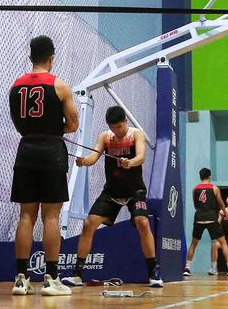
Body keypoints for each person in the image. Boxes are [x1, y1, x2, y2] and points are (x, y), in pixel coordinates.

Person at [62, 107, 163, 287]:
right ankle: (77, 273)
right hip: (112, 192)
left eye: (119, 126)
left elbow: (141, 157)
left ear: (125, 121)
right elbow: (94, 156)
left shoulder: (135, 134)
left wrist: (129, 162)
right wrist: (84, 161)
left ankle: (153, 272)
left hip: (135, 192)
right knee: (89, 224)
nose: (117, 131)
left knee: (143, 222)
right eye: (113, 127)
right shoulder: (105, 137)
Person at [10, 35, 79, 297]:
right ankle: (51, 279)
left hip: (26, 150)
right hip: (51, 151)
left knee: (26, 215)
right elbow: (72, 124)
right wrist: (53, 129)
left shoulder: (15, 86)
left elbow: (19, 124)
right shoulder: (60, 86)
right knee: (51, 216)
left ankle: (20, 279)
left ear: (30, 58)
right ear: (52, 58)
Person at [184, 168, 228, 277]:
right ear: (209, 176)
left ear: (200, 177)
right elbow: (221, 204)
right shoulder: (214, 188)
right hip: (211, 217)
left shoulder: (195, 189)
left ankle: (187, 268)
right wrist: (224, 212)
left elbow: (195, 205)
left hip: (198, 217)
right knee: (223, 242)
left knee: (194, 243)